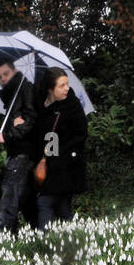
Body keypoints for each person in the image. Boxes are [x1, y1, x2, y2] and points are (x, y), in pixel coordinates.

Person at [34, 68, 87, 229]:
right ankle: (75, 240)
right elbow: (37, 133)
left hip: (66, 165)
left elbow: (81, 134)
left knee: (45, 202)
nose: (67, 88)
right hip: (49, 162)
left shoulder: (72, 105)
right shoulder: (39, 105)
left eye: (67, 84)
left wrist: (63, 154)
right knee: (62, 208)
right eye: (61, 85)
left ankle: (45, 244)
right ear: (50, 89)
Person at [0, 58, 40, 233]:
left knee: (8, 198)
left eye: (6, 74)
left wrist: (6, 135)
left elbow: (31, 121)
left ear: (14, 71)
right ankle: (41, 236)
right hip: (21, 153)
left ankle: (5, 242)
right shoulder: (12, 95)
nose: (3, 79)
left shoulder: (25, 89)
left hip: (23, 154)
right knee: (27, 202)